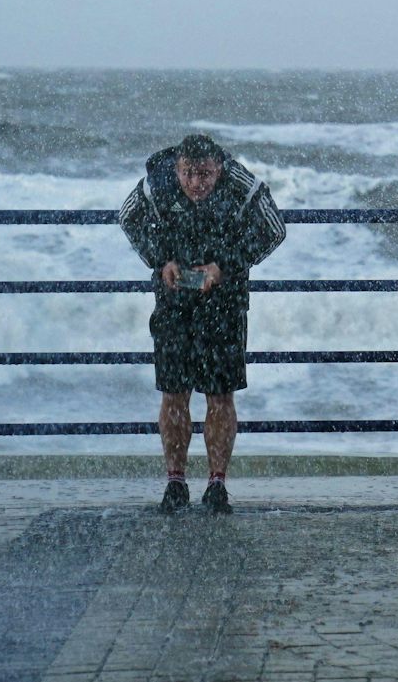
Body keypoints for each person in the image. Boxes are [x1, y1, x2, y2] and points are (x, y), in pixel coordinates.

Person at [119, 132, 286, 513]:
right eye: (188, 174)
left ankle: (217, 485)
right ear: (176, 168)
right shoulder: (156, 182)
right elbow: (127, 218)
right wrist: (161, 259)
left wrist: (223, 266)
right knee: (174, 394)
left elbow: (274, 228)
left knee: (220, 395)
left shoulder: (241, 183)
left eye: (206, 174)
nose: (197, 183)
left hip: (224, 305)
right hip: (174, 303)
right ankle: (175, 482)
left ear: (219, 168)